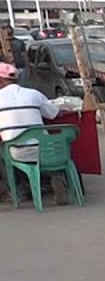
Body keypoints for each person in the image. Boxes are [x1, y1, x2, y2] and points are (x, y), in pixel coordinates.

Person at [0, 61, 70, 204]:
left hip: (17, 152)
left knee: (3, 150)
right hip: (47, 150)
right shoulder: (34, 94)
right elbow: (53, 114)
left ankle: (19, 190)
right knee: (39, 148)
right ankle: (55, 176)